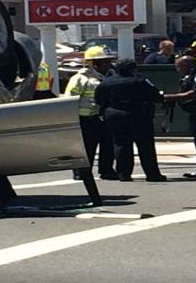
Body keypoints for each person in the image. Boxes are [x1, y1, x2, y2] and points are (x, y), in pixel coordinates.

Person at [95, 60, 169, 182]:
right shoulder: (140, 81)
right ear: (133, 69)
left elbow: (98, 99)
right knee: (145, 146)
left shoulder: (106, 82)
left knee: (121, 144)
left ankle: (123, 174)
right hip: (138, 115)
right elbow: (155, 95)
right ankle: (152, 174)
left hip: (114, 115)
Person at [65, 46, 117, 180]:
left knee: (108, 144)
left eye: (109, 61)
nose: (108, 64)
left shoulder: (111, 77)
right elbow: (70, 100)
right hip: (86, 118)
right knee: (87, 147)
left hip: (104, 117)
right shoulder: (80, 79)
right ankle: (81, 172)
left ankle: (107, 170)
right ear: (93, 63)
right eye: (105, 62)